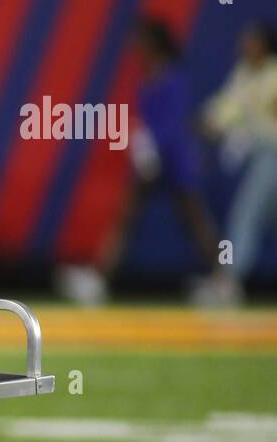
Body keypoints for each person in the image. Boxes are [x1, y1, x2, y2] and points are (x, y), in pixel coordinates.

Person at [57, 17, 224, 305]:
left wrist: (152, 148)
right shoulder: (146, 78)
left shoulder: (173, 78)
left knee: (195, 220)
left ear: (154, 44)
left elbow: (173, 126)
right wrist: (142, 147)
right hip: (151, 162)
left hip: (175, 160)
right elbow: (148, 123)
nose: (135, 47)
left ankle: (224, 282)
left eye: (141, 40)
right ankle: (98, 279)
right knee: (126, 216)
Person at [199, 21, 277, 304]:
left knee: (246, 213)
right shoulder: (244, 74)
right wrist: (211, 120)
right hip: (261, 154)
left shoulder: (273, 75)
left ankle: (229, 281)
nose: (245, 45)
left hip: (273, 153)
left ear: (265, 45)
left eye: (251, 40)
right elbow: (227, 107)